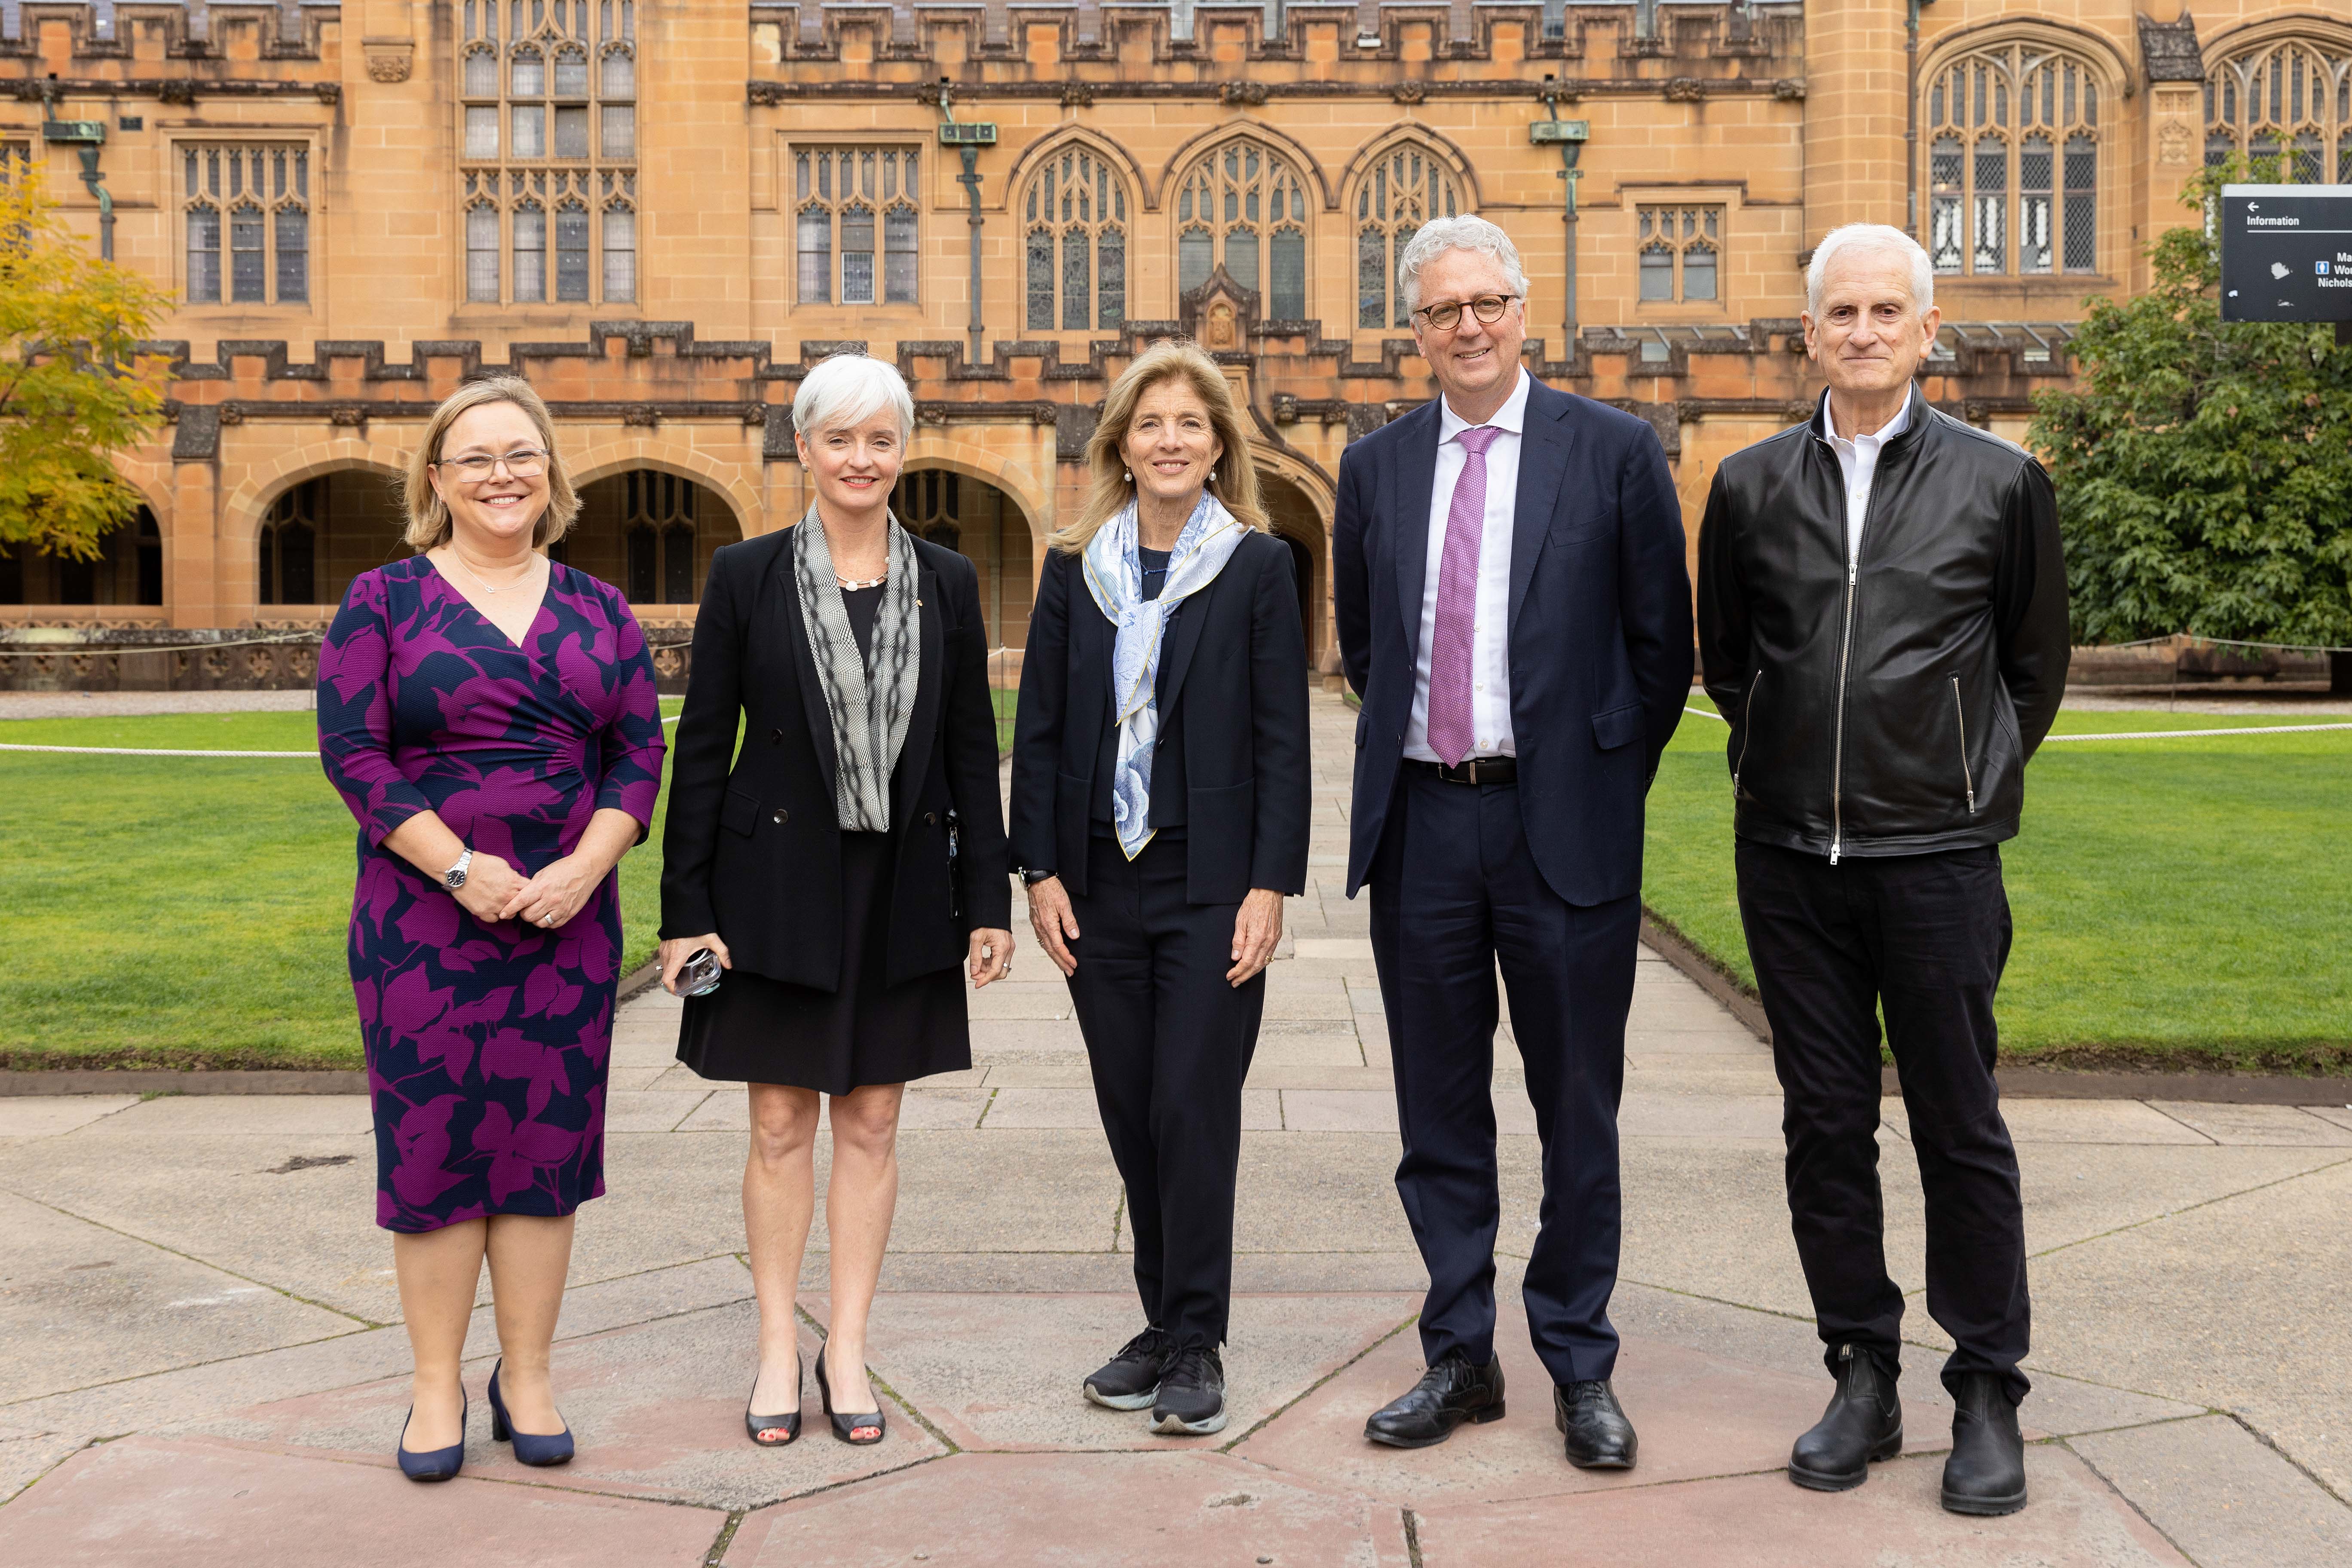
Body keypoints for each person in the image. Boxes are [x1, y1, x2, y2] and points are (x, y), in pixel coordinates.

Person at [1695, 222, 2068, 1516]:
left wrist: (1958, 788)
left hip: (1938, 862)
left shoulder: (2000, 481)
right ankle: (1861, 1367)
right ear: (1810, 333)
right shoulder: (1747, 485)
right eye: (1839, 312)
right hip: (1792, 863)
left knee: (1961, 1127)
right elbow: (1732, 663)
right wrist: (1786, 767)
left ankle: (1986, 1386)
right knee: (1824, 1129)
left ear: (1925, 331)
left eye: (1884, 312)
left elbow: (2032, 672)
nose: (1861, 332)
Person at [1332, 216, 1693, 1466]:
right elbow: (1369, 648)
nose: (1467, 328)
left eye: (1486, 303)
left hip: (1564, 832)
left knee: (1575, 1106)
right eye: (1441, 312)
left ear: (1523, 310)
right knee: (1438, 1111)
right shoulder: (1372, 468)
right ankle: (1459, 1356)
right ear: (1416, 330)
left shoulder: (1614, 450)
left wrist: (1593, 780)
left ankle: (1579, 1364)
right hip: (1426, 820)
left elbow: (1662, 654)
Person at [658, 352, 1013, 1450]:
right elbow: (705, 749)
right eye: (839, 439)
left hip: (901, 886)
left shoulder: (948, 581)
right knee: (776, 1125)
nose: (861, 459)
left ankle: (845, 1344)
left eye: (881, 439)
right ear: (803, 449)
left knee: (872, 1120)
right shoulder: (745, 574)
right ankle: (778, 1342)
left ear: (904, 451)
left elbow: (970, 751)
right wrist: (684, 912)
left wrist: (988, 901)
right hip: (773, 888)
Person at [317, 376, 666, 1482]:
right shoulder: (381, 600)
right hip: (424, 921)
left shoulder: (602, 610)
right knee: (432, 1153)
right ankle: (434, 1387)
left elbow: (639, 754)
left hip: (566, 922)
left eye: (521, 454)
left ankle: (528, 1375)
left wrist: (585, 866)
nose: (501, 474)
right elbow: (353, 752)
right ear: (436, 479)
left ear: (551, 471)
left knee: (542, 1155)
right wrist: (462, 869)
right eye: (475, 458)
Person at [1009, 340, 1310, 1437]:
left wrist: (1272, 883)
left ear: (1220, 443)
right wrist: (1037, 870)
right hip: (1095, 885)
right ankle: (1162, 1319)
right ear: (1121, 446)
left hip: (1208, 881)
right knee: (1131, 1110)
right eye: (1151, 425)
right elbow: (1038, 731)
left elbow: (1285, 740)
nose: (1171, 441)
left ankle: (1197, 1338)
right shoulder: (1072, 569)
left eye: (1191, 423)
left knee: (1192, 1105)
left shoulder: (1256, 567)